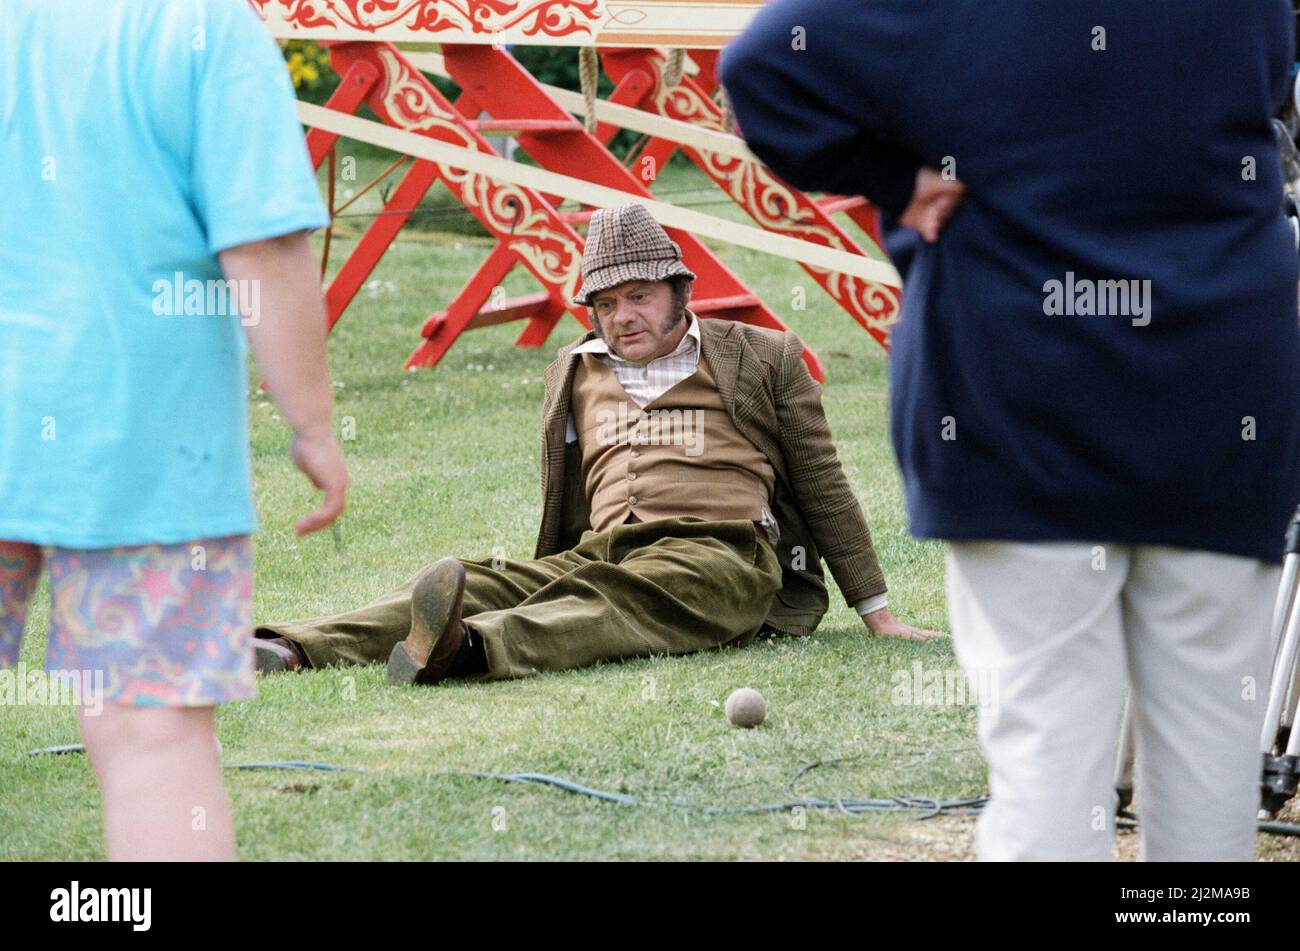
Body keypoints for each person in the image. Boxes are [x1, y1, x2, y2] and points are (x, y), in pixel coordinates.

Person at [720, 0, 1300, 860]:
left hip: (1018, 392)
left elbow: (761, 65)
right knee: (1212, 769)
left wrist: (893, 178)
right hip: (1218, 383)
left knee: (1047, 761)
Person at [254, 203, 940, 685]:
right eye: (605, 304)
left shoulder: (762, 355)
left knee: (621, 599)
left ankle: (467, 649)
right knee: (488, 578)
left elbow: (823, 484)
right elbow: (568, 496)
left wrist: (876, 613)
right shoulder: (573, 370)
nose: (621, 316)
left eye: (638, 296)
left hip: (723, 555)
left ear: (680, 292)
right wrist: (548, 566)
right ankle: (287, 648)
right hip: (603, 550)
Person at [0, 0, 348, 860]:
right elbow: (264, 245)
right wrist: (311, 421)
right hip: (145, 446)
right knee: (152, 739)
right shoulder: (206, 32)